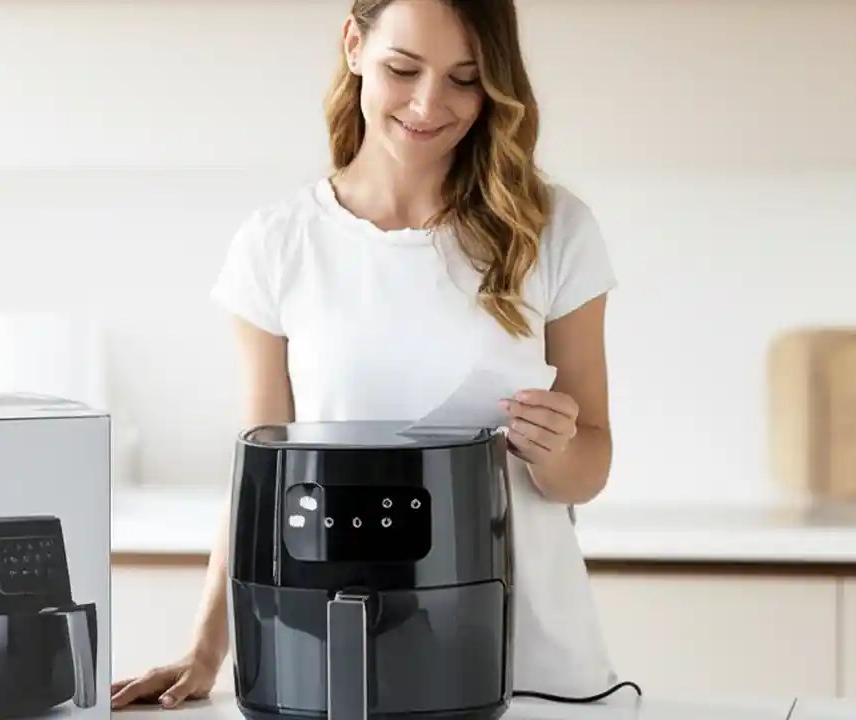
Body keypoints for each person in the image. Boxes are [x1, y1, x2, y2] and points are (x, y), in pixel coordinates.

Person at [111, 0, 620, 709]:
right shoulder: (279, 244)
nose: (428, 103)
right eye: (402, 68)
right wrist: (206, 650)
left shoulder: (552, 229)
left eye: (465, 78)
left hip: (528, 654)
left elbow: (588, 468)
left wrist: (554, 447)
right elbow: (260, 480)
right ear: (353, 45)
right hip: (338, 649)